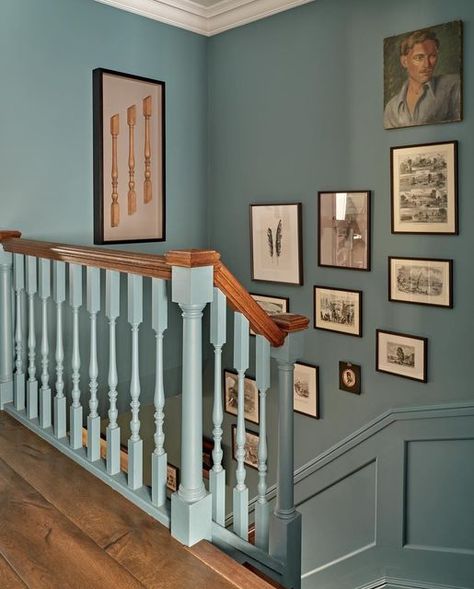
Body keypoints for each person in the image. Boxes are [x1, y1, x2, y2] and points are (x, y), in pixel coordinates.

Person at [384, 29, 461, 129]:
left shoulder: (453, 86)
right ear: (404, 62)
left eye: (432, 56)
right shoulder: (392, 107)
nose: (427, 64)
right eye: (419, 57)